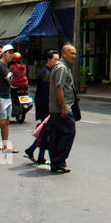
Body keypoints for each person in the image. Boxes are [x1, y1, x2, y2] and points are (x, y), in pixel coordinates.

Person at [45, 42, 78, 174]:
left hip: (58, 109)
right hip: (61, 110)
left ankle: (56, 162)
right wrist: (64, 107)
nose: (74, 56)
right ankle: (59, 160)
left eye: (75, 53)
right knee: (68, 133)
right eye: (71, 53)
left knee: (57, 136)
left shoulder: (63, 67)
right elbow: (59, 88)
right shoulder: (62, 68)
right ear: (64, 54)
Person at [25, 50, 60, 165]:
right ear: (49, 60)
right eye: (54, 59)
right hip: (46, 107)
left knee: (45, 132)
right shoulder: (46, 73)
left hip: (46, 106)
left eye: (57, 60)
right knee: (45, 131)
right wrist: (52, 107)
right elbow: (46, 94)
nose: (56, 62)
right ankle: (32, 150)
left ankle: (38, 154)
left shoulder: (49, 72)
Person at [9, 49, 29, 120]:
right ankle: (27, 102)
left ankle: (13, 107)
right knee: (26, 93)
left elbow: (9, 76)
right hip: (24, 85)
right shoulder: (23, 66)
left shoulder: (12, 67)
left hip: (15, 85)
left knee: (11, 95)